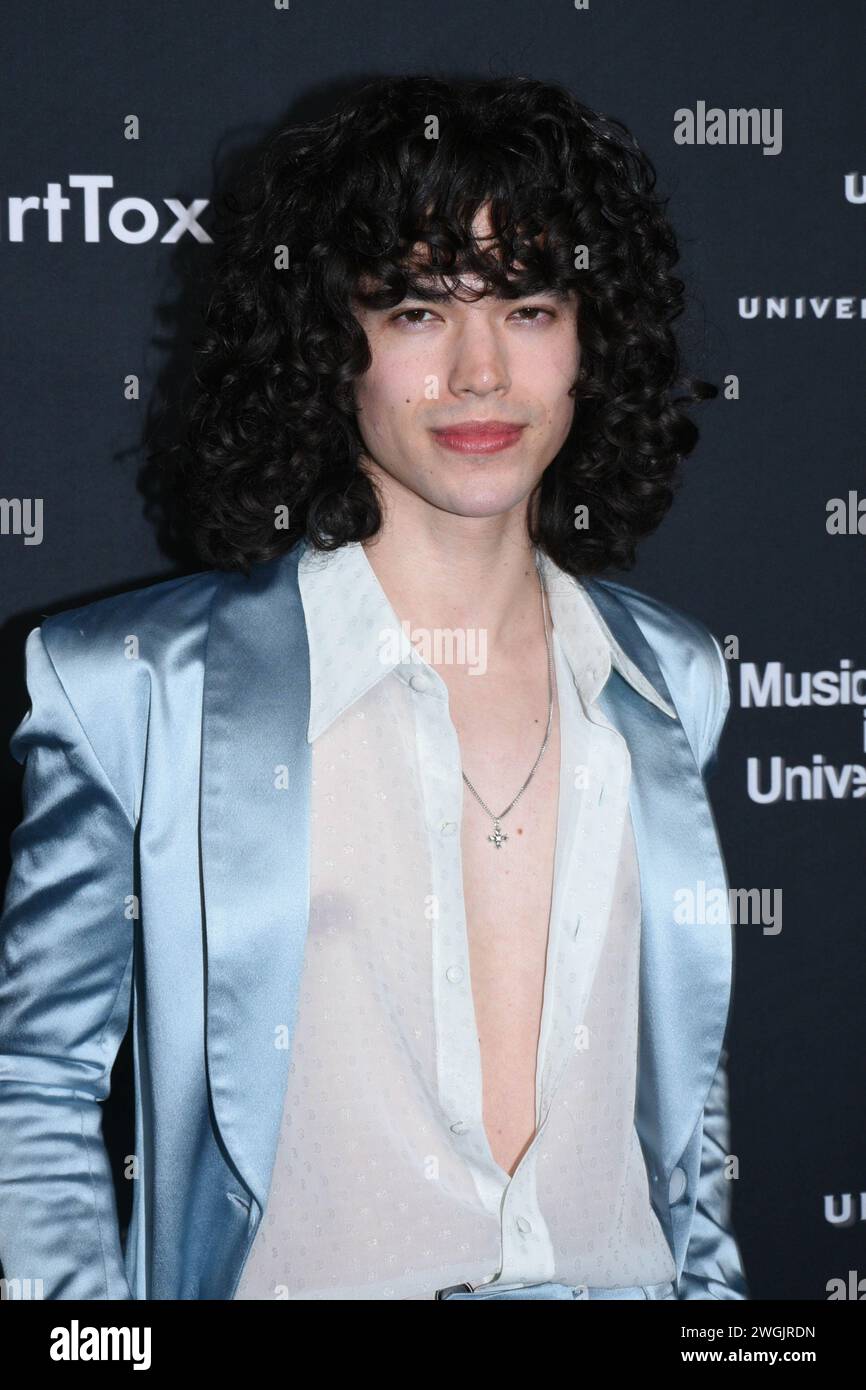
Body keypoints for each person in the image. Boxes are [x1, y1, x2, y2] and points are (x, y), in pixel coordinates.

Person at [0, 74, 748, 1300]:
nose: (476, 373)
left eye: (527, 306)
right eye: (413, 311)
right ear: (324, 344)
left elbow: (680, 1088)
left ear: (588, 336)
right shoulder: (134, 690)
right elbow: (37, 1088)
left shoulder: (666, 678)